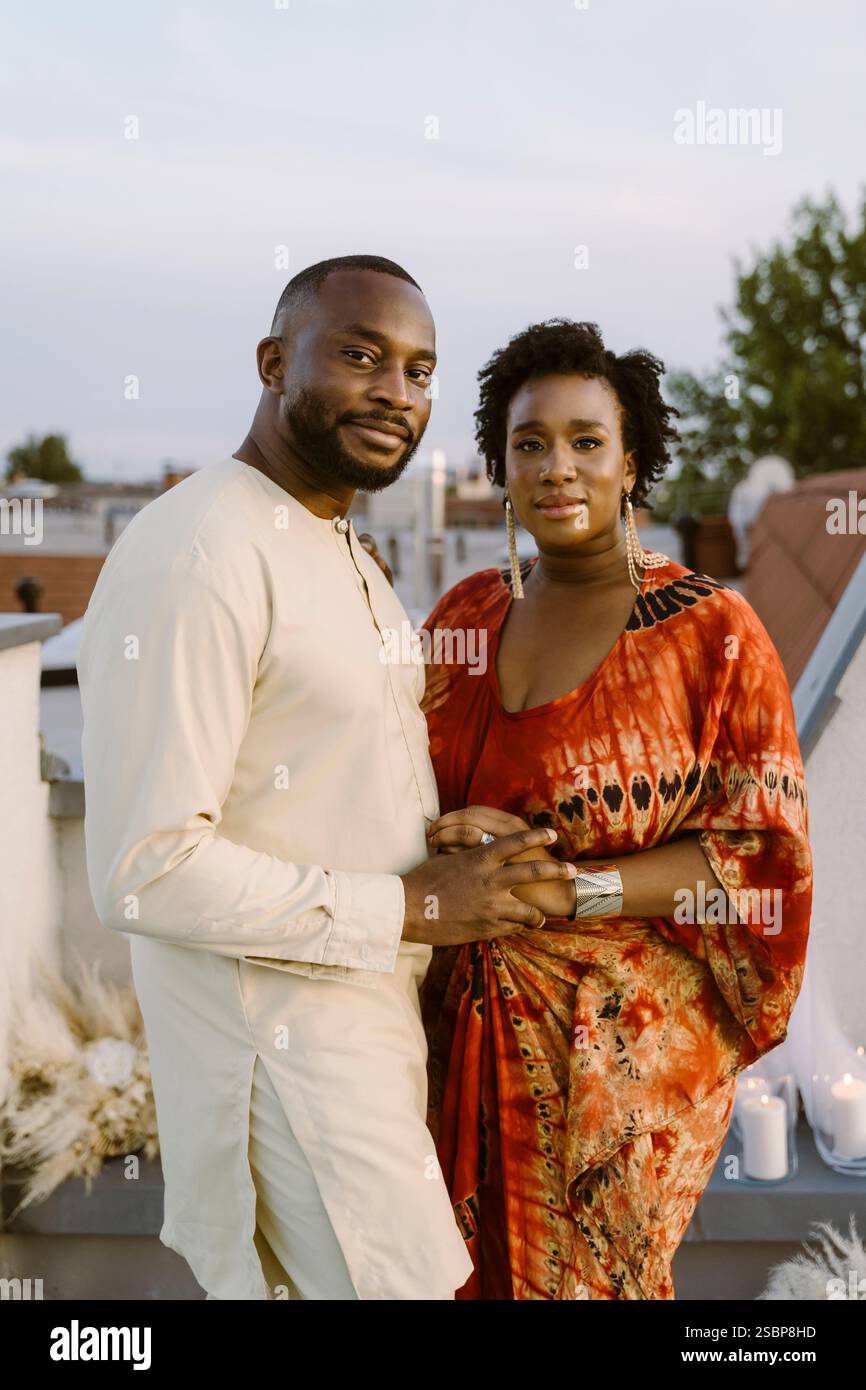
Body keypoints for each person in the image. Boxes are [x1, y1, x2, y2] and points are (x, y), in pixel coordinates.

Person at [76, 257, 576, 1301]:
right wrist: (405, 900)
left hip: (361, 1032)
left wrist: (427, 832)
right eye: (360, 356)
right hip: (289, 1061)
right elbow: (143, 867)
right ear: (273, 363)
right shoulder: (200, 550)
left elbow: (309, 773)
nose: (397, 391)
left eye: (419, 369)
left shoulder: (336, 543)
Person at [418, 319, 813, 1300]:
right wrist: (443, 838)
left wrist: (562, 890)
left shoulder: (711, 635)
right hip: (438, 1039)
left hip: (614, 1077)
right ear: (499, 468)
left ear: (630, 463)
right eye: (529, 443)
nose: (558, 467)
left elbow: (756, 865)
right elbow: (388, 778)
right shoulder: (463, 617)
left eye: (586, 441)